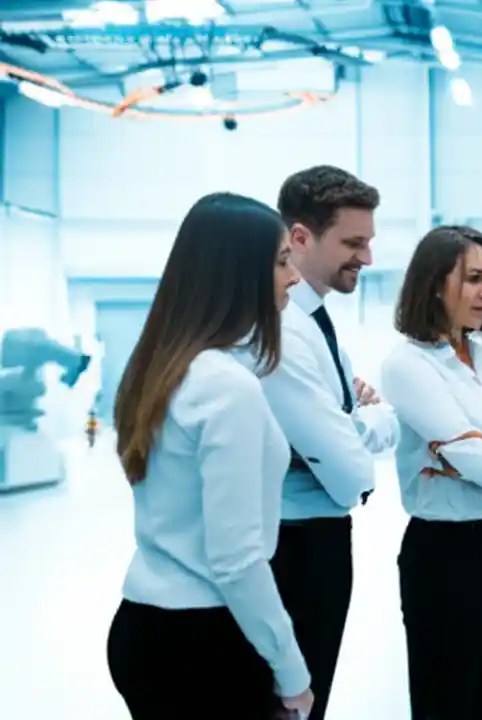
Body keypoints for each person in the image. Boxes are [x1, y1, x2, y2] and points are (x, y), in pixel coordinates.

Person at [105, 192, 313, 719]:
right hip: (203, 644)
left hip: (144, 624)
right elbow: (236, 559)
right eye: (282, 261)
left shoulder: (163, 370)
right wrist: (292, 672)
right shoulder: (227, 388)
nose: (294, 277)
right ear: (239, 274)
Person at [260, 164, 399, 720]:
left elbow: (344, 429)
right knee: (296, 706)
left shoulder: (314, 321)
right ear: (300, 237)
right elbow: (350, 470)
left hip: (317, 540)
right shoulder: (284, 329)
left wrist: (350, 419)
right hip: (295, 547)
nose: (367, 257)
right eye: (352, 243)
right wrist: (367, 419)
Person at [380, 225, 482, 720]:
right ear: (433, 284)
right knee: (445, 706)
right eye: (473, 278)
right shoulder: (407, 365)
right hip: (446, 556)